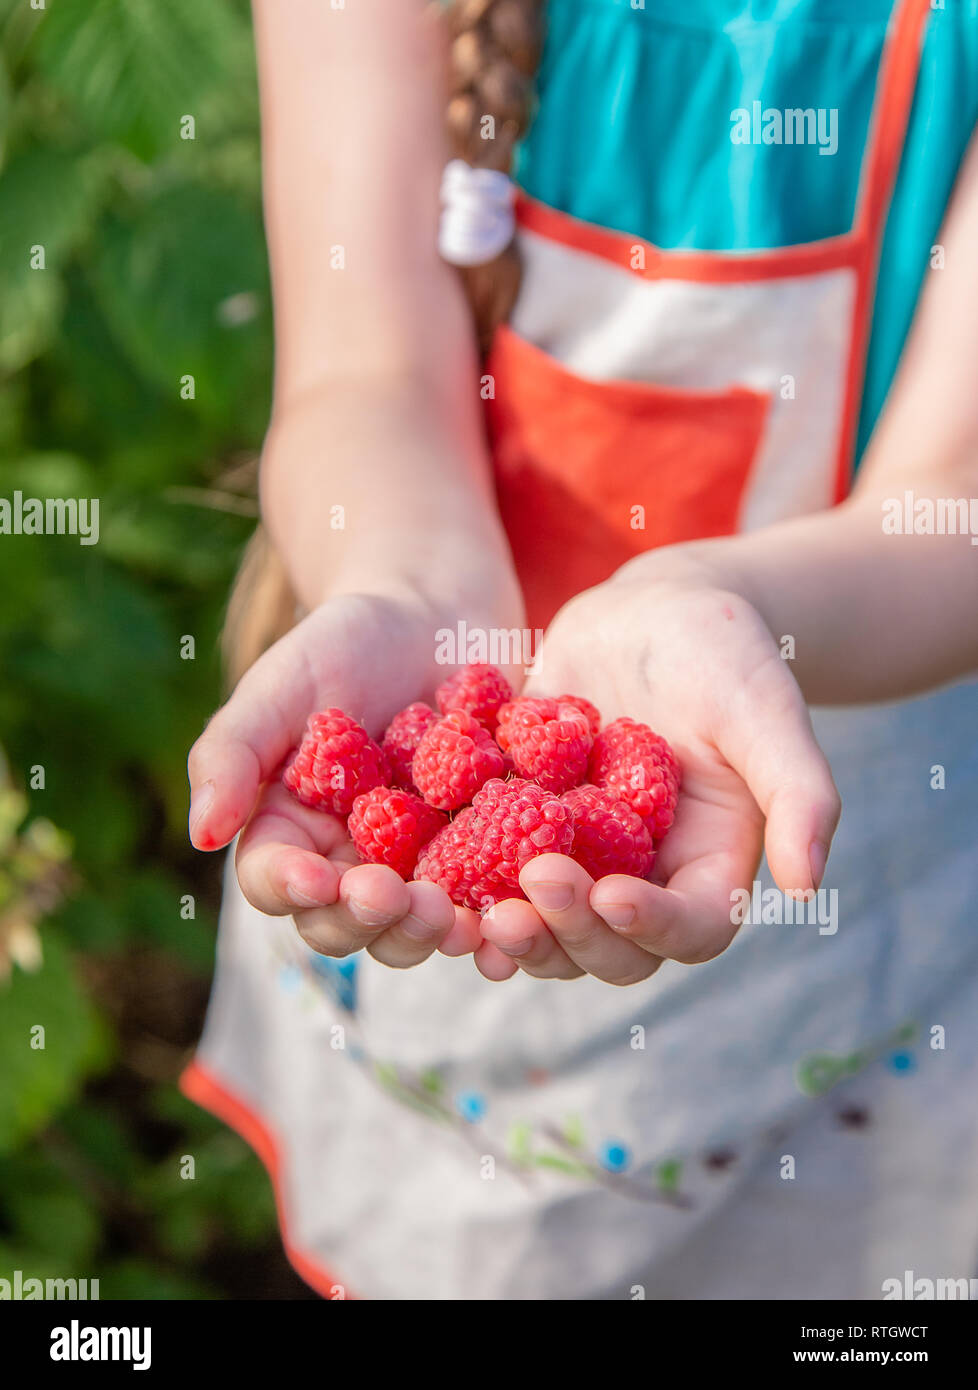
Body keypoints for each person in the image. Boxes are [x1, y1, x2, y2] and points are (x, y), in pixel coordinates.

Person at [184, 0, 978, 1299]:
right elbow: (359, 373)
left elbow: (951, 501)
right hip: (446, 873)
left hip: (856, 846)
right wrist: (404, 582)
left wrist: (717, 602)